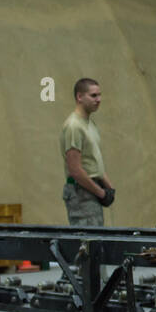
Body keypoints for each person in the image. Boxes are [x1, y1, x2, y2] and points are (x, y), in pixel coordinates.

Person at [60, 78, 114, 226]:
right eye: (93, 95)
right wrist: (101, 192)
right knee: (88, 242)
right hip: (81, 193)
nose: (98, 99)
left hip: (92, 190)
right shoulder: (74, 126)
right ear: (79, 97)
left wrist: (109, 187)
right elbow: (75, 170)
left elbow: (94, 161)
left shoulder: (90, 124)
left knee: (96, 241)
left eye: (99, 95)